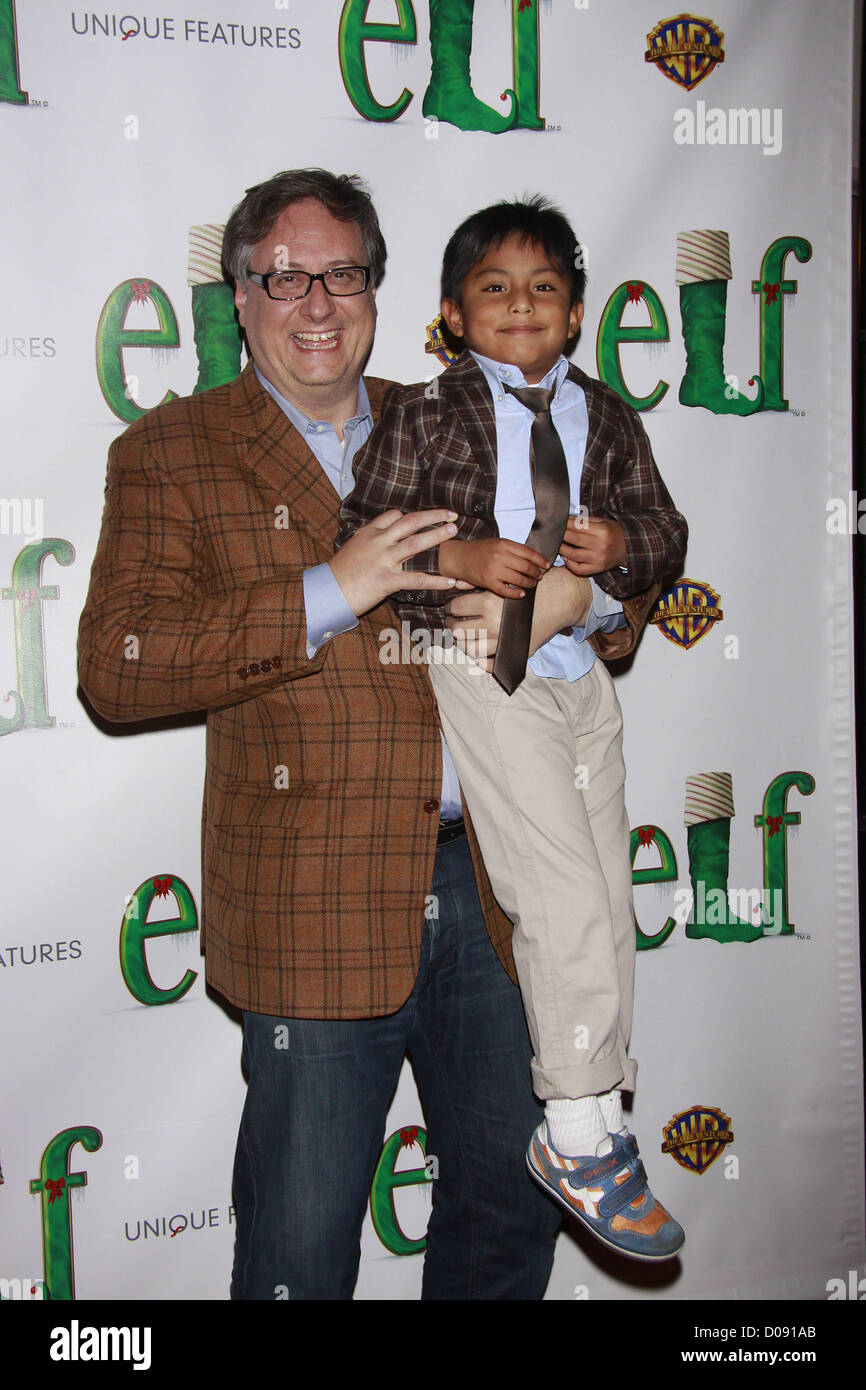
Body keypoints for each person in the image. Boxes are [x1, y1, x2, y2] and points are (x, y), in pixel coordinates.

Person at [75, 169, 617, 1300]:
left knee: (503, 1223)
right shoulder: (170, 451)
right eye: (282, 276)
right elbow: (118, 667)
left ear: (375, 286)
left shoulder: (457, 411)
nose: (314, 302)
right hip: (308, 898)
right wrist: (333, 585)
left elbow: (598, 568)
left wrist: (589, 604)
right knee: (298, 1247)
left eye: (340, 273)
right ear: (238, 295)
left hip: (499, 884)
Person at [339, 196, 688, 1261]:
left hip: (581, 671)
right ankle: (575, 1131)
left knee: (604, 893)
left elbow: (664, 535)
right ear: (450, 315)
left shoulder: (608, 414)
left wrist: (617, 543)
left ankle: (601, 1110)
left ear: (577, 311)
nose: (519, 305)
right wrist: (463, 559)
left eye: (542, 288)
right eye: (492, 288)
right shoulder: (423, 412)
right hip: (476, 664)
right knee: (558, 894)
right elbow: (364, 537)